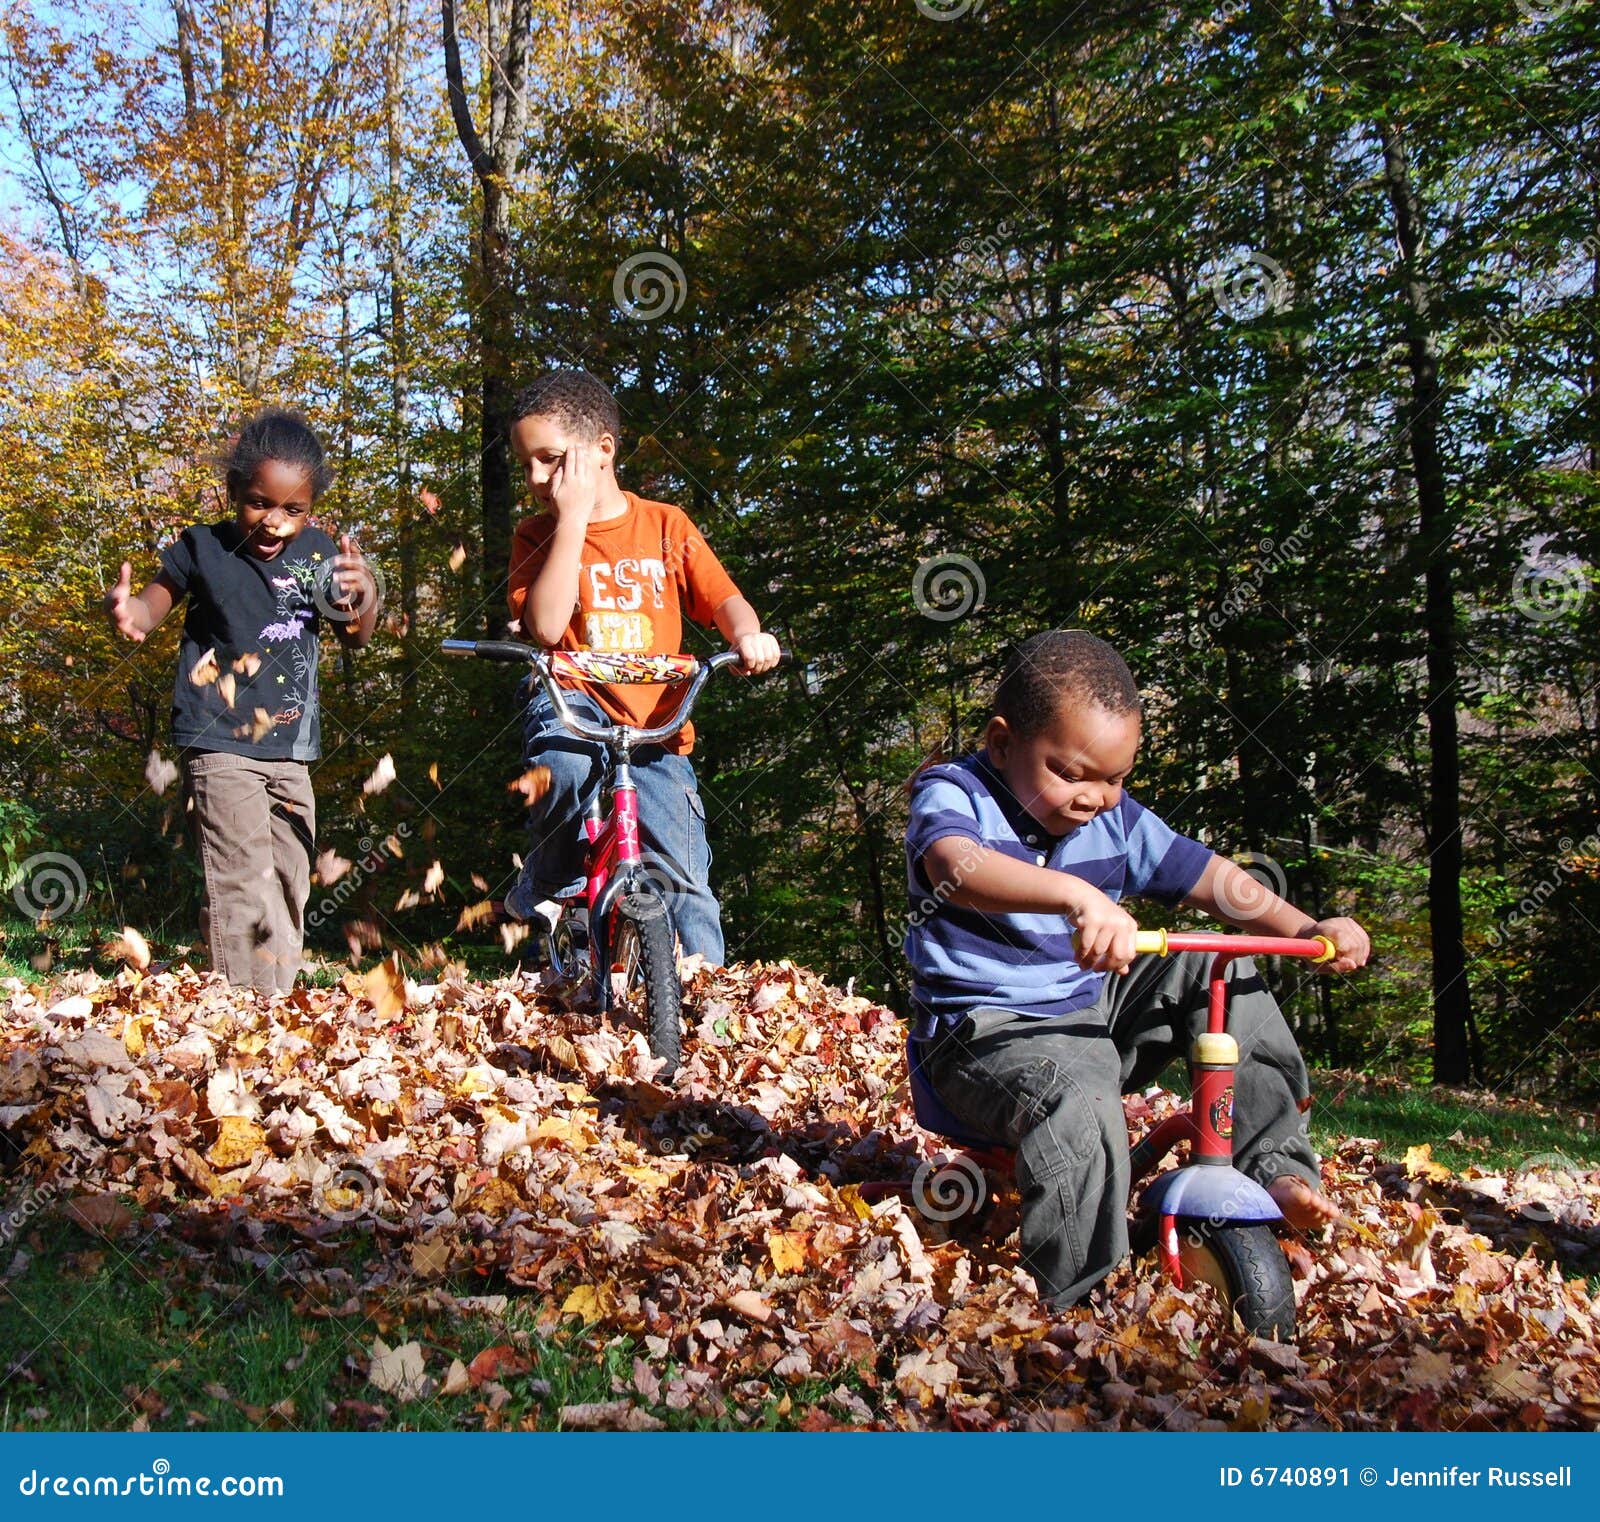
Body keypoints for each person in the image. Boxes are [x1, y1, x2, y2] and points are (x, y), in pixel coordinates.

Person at [902, 629, 1370, 1307]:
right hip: (982, 1037)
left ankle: (1274, 1172)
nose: (1096, 796)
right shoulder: (957, 792)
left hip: (1090, 1011)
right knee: (1081, 1104)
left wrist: (1304, 927)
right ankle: (1083, 1301)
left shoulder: (1113, 822)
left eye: (1116, 777)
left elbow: (1211, 879)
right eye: (1070, 772)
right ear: (1002, 745)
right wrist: (1078, 896)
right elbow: (953, 864)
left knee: (1217, 969)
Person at [501, 368, 780, 963]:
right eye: (525, 464)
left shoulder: (663, 525)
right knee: (563, 768)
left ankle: (712, 1003)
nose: (534, 478)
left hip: (656, 717)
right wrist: (571, 519)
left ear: (603, 450)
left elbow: (722, 597)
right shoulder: (537, 535)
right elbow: (547, 627)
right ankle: (553, 886)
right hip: (571, 700)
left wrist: (747, 634)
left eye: (549, 460)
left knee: (684, 878)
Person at [104, 408, 377, 993]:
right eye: (259, 503)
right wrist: (134, 615)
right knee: (241, 874)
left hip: (291, 743)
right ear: (233, 493)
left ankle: (274, 990)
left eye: (293, 510)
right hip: (218, 736)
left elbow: (355, 635)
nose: (275, 522)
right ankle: (247, 1004)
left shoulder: (320, 553)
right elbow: (158, 599)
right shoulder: (203, 547)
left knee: (289, 876)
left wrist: (363, 592)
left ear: (311, 508)